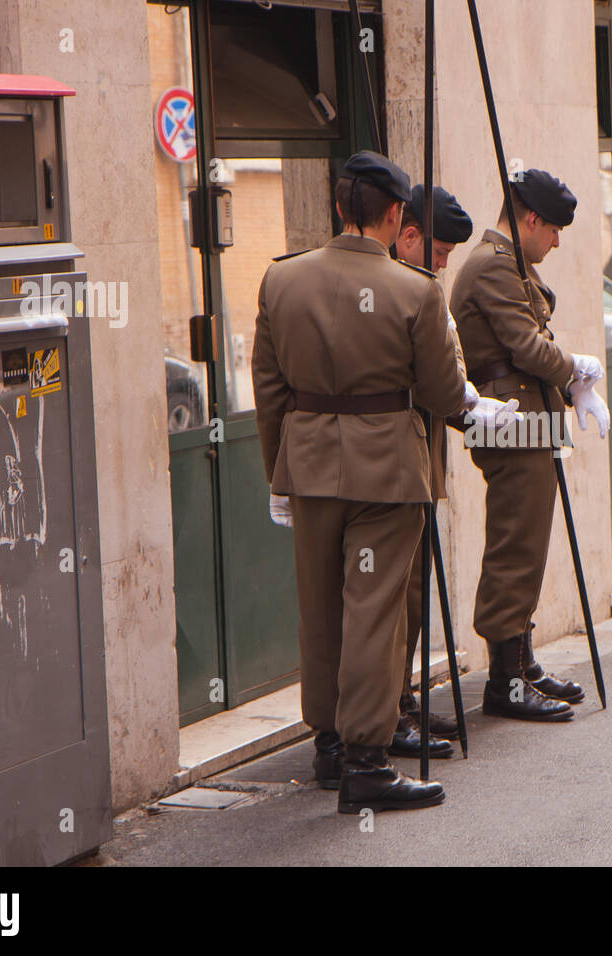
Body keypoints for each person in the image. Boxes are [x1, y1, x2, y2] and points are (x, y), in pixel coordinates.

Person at [251, 150, 474, 813]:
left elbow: (269, 390)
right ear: (397, 213)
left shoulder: (281, 281)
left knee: (321, 612)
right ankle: (367, 763)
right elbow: (440, 392)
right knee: (373, 616)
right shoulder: (416, 290)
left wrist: (279, 474)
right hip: (387, 473)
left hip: (311, 466)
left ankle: (326, 746)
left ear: (341, 208)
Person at [449, 167, 610, 723]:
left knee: (529, 546)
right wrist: (577, 371)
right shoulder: (493, 266)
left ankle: (521, 660)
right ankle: (506, 680)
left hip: (528, 421)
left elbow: (532, 341)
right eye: (555, 229)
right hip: (509, 423)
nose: (558, 241)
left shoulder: (510, 266)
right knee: (515, 548)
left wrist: (570, 383)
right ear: (532, 220)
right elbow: (527, 347)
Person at [387, 183, 518, 758]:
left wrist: (471, 406)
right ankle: (382, 713)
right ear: (407, 234)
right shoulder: (394, 291)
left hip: (422, 463)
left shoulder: (424, 289)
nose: (444, 263)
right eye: (438, 251)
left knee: (413, 593)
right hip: (390, 465)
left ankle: (398, 699)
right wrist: (463, 401)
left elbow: (451, 363)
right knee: (388, 600)